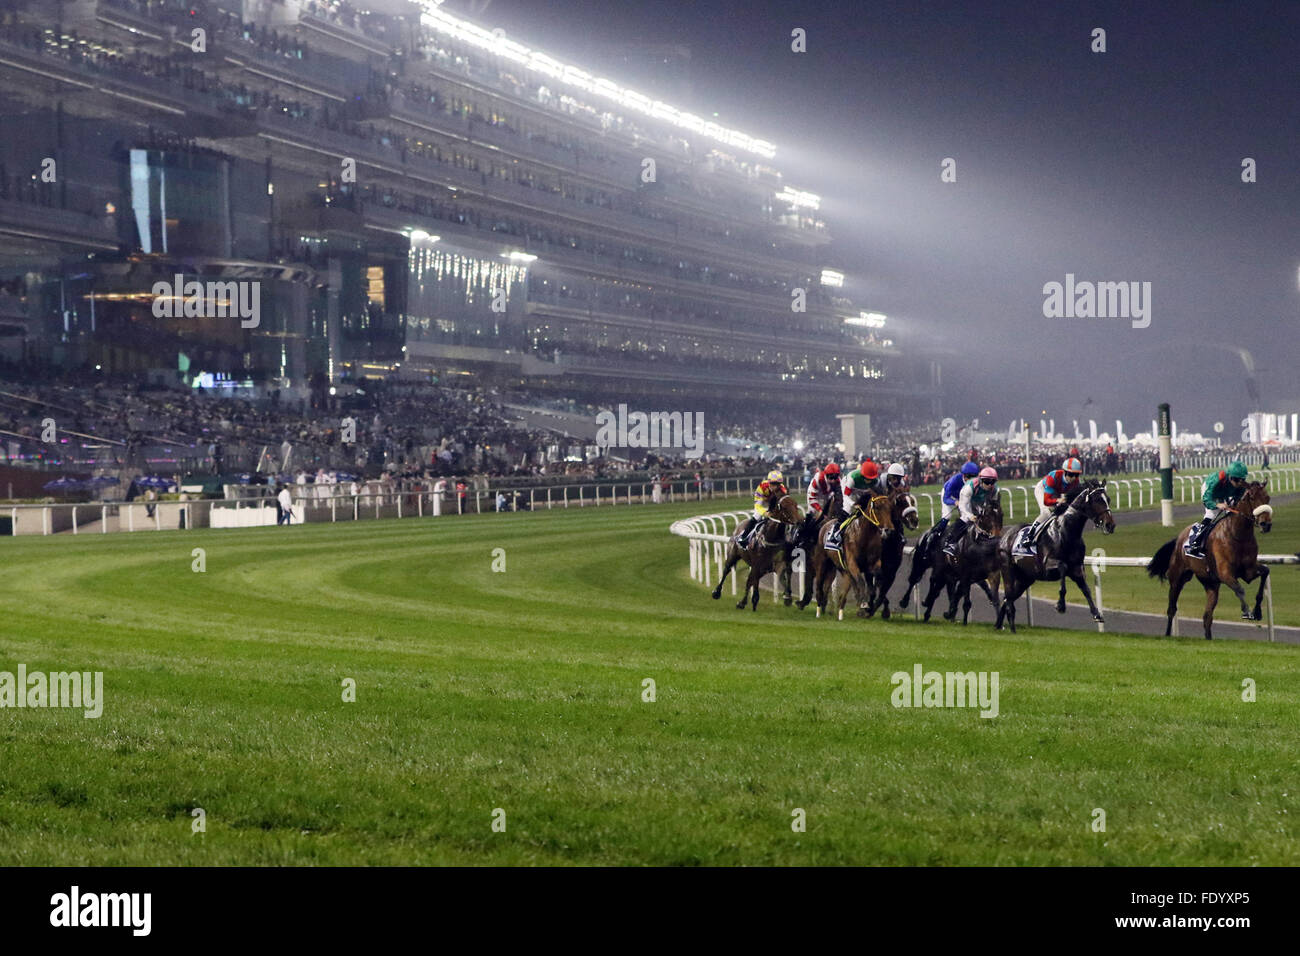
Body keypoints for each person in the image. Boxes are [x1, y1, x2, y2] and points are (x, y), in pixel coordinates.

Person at [1185, 460, 1248, 558]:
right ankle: (1194, 543)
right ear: (1230, 477)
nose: (1239, 483)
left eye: (1242, 480)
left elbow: (1237, 499)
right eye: (1236, 480)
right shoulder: (1217, 480)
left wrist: (1233, 505)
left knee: (1231, 513)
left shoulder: (1241, 485)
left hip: (1225, 493)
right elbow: (1207, 499)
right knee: (1212, 514)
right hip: (1210, 491)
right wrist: (1217, 505)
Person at [1022, 457, 1082, 553]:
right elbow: (1046, 501)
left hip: (1057, 491)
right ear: (1065, 472)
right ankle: (1030, 536)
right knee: (1046, 512)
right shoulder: (1053, 477)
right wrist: (1058, 500)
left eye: (1077, 474)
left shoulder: (1076, 482)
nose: (1074, 478)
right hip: (1043, 489)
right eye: (1071, 474)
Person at [943, 466, 998, 558]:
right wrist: (970, 515)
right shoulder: (968, 487)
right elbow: (962, 506)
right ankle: (950, 542)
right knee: (965, 518)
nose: (990, 485)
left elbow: (993, 504)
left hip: (979, 501)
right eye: (987, 482)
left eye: (992, 482)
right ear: (981, 480)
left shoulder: (994, 489)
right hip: (967, 499)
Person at [738, 470, 788, 548]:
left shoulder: (782, 489)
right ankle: (744, 537)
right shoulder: (762, 487)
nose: (775, 487)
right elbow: (758, 507)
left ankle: (783, 538)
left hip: (773, 502)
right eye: (773, 484)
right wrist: (766, 513)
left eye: (778, 484)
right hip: (762, 502)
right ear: (769, 482)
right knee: (757, 516)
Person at [936, 462, 980, 536]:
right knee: (947, 516)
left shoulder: (976, 482)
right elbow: (946, 499)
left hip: (962, 496)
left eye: (974, 477)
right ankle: (938, 533)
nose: (972, 480)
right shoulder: (954, 481)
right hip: (950, 495)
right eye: (970, 477)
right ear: (964, 475)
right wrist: (955, 502)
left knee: (968, 515)